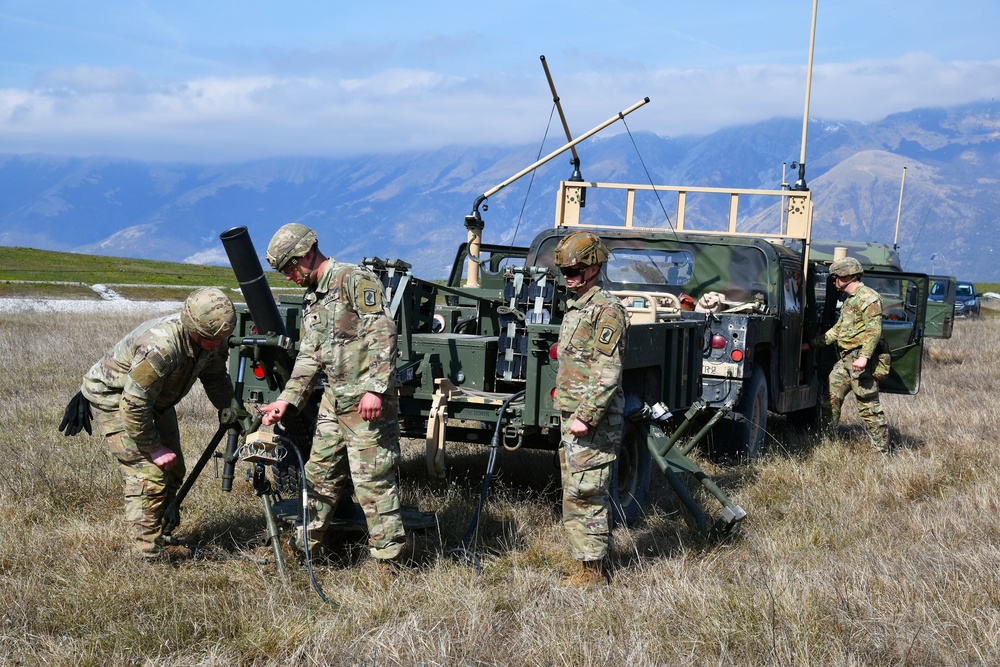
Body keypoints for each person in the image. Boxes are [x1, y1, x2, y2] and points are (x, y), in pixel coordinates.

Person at [260, 222, 408, 564]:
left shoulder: (354, 279)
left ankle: (390, 562)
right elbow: (309, 356)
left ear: (306, 254)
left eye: (289, 268)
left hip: (367, 403)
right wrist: (287, 400)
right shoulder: (312, 298)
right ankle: (305, 553)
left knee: (372, 482)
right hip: (334, 402)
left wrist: (375, 389)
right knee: (319, 475)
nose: (287, 276)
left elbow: (383, 333)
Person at [59, 287, 237, 559]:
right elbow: (133, 404)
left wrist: (234, 412)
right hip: (117, 398)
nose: (216, 344)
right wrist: (153, 448)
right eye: (209, 339)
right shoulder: (161, 347)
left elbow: (214, 377)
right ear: (192, 326)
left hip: (154, 401)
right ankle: (148, 556)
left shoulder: (214, 337)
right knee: (149, 473)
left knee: (175, 468)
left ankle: (160, 531)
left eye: (220, 339)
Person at [551, 230, 629, 584]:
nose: (569, 275)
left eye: (577, 269)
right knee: (575, 490)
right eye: (565, 270)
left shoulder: (607, 311)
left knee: (587, 492)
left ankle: (594, 570)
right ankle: (586, 559)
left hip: (591, 421)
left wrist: (585, 416)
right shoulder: (577, 308)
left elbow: (607, 372)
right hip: (574, 416)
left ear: (595, 267)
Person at [802, 256, 890, 451]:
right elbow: (837, 331)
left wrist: (864, 357)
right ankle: (827, 442)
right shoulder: (850, 301)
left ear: (847, 276)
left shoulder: (869, 298)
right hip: (845, 360)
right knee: (830, 399)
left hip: (860, 361)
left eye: (836, 278)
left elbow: (874, 330)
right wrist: (811, 345)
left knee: (868, 407)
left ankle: (881, 450)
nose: (834, 282)